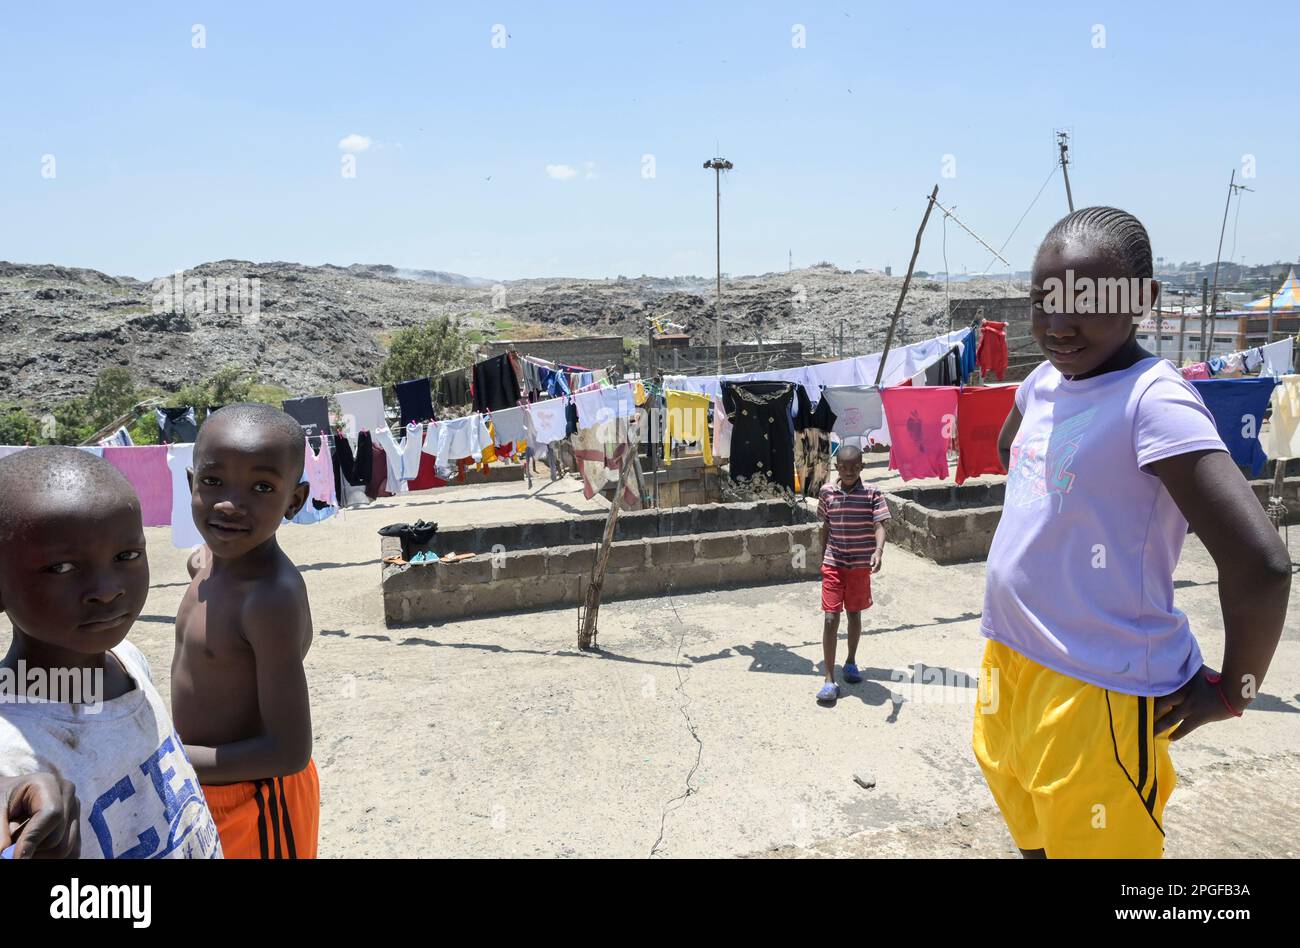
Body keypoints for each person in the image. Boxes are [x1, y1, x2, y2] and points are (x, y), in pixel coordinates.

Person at [975, 207, 1291, 858]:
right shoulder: (1043, 383)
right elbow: (1013, 448)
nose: (1058, 322)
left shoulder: (1154, 399)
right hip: (1007, 664)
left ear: (1142, 301)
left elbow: (1263, 564)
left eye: (1086, 300)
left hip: (1100, 694)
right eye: (1044, 300)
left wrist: (1236, 693)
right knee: (1032, 833)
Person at [0, 446, 221, 859]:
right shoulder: (13, 757)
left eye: (127, 556)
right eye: (62, 567)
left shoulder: (127, 659)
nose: (107, 589)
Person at [172, 403, 320, 858]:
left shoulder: (268, 599)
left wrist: (172, 761)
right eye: (213, 481)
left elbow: (288, 750)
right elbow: (199, 558)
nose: (230, 504)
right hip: (209, 787)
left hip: (259, 798)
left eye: (261, 487)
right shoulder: (212, 561)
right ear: (191, 483)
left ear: (293, 501)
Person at [816, 443, 889, 702]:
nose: (848, 471)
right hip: (833, 563)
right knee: (829, 618)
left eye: (854, 467)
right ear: (836, 467)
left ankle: (850, 662)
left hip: (859, 566)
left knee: (854, 614)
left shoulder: (872, 494)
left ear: (862, 467)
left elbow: (879, 525)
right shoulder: (826, 493)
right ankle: (828, 678)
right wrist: (821, 555)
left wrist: (878, 551)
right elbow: (825, 526)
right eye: (843, 467)